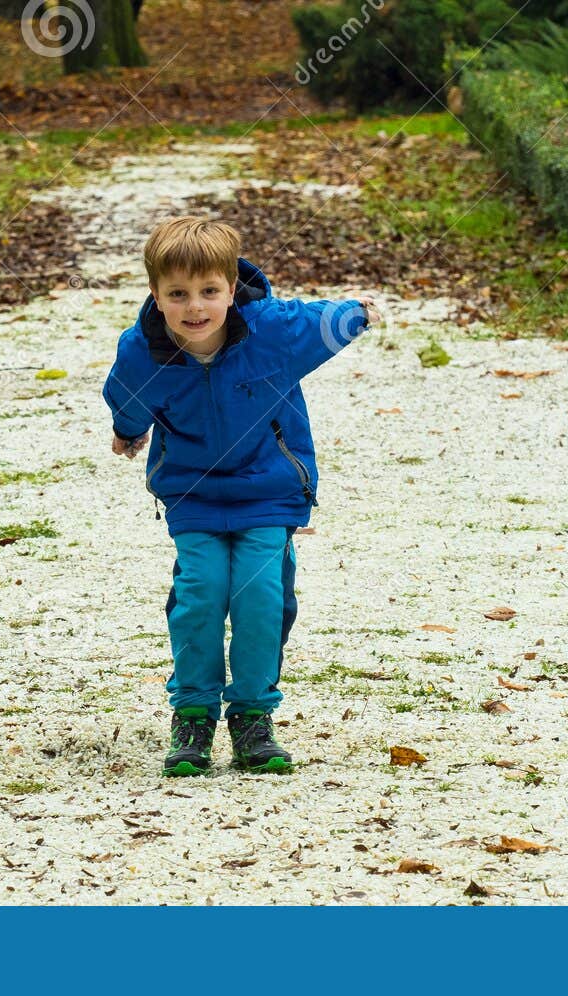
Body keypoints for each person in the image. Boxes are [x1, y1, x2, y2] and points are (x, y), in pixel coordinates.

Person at [101, 216, 380, 776]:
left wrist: (360, 312)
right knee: (202, 591)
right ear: (155, 295)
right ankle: (195, 712)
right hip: (194, 493)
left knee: (259, 594)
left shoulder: (271, 330)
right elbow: (128, 398)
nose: (195, 307)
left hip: (268, 490)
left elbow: (324, 322)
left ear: (232, 289)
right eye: (177, 294)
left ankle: (252, 713)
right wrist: (130, 433)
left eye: (209, 291)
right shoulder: (142, 352)